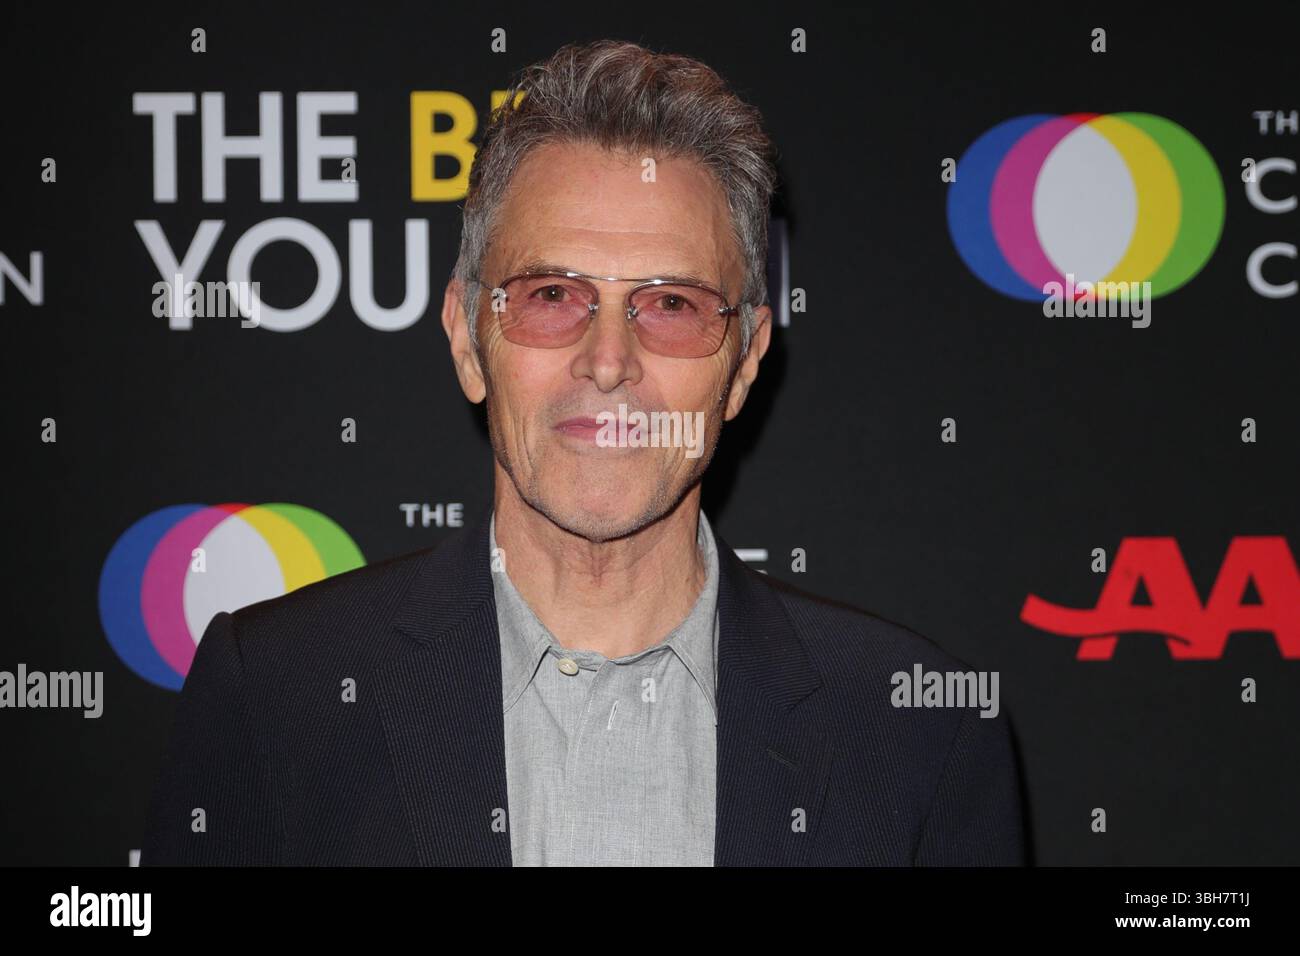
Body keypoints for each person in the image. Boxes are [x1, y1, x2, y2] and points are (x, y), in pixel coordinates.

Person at [141, 39, 1026, 866]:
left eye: (671, 304)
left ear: (746, 360)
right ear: (464, 339)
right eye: (551, 294)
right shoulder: (275, 699)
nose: (608, 363)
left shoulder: (920, 729)